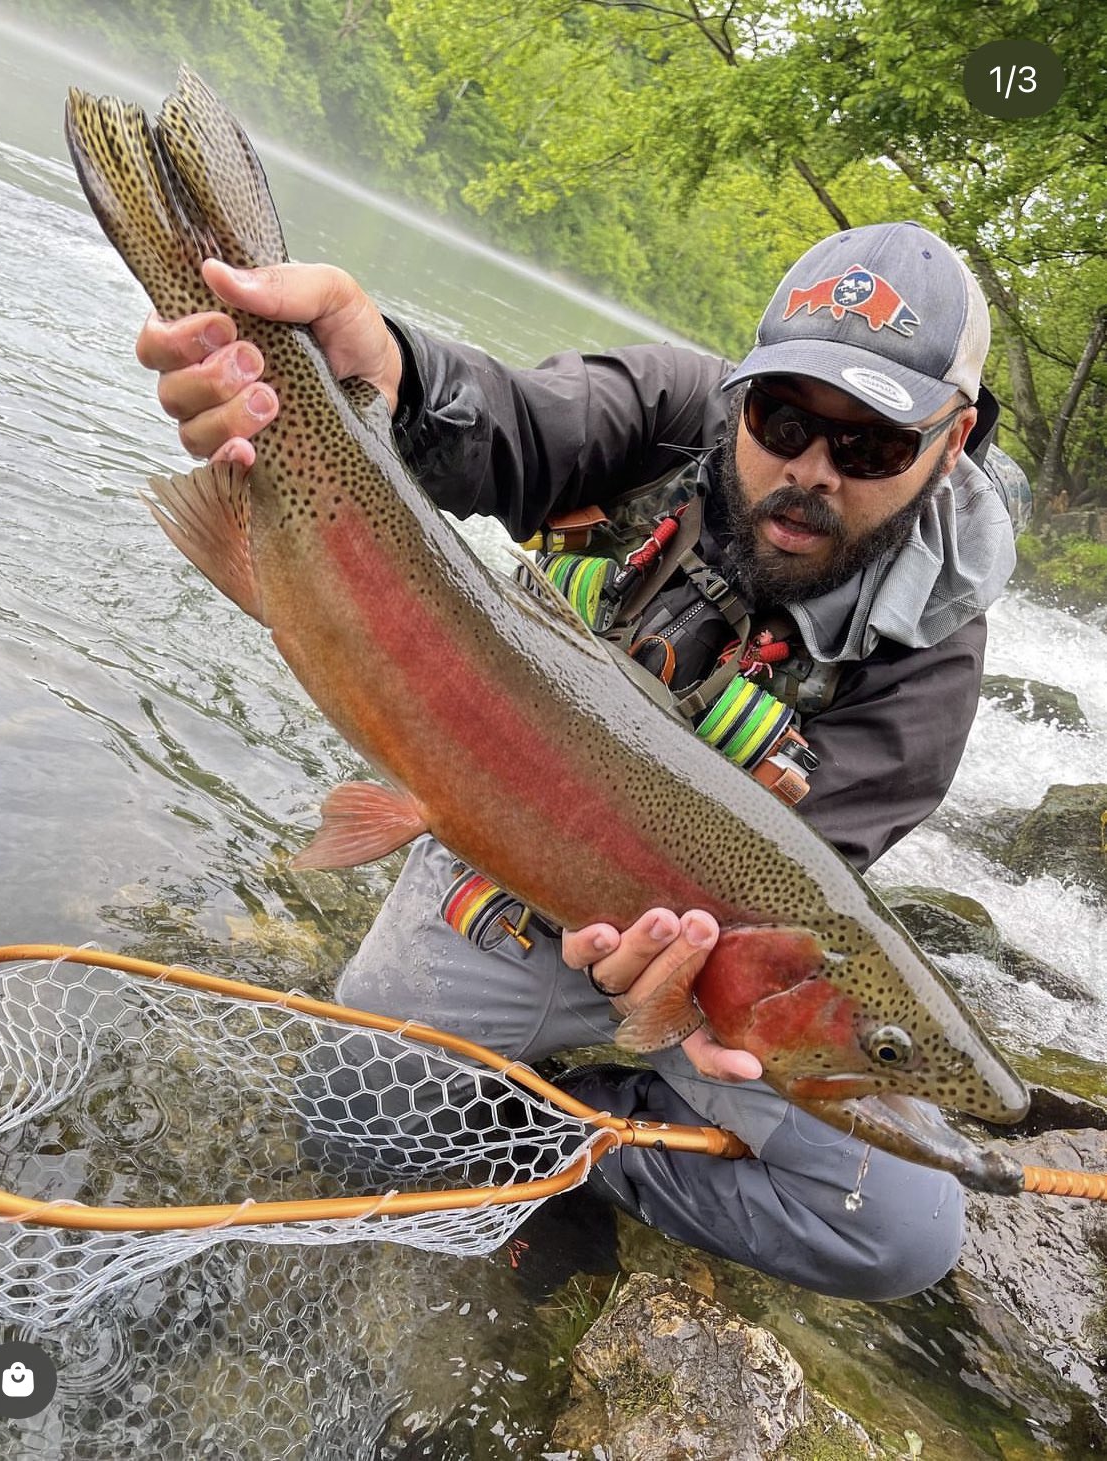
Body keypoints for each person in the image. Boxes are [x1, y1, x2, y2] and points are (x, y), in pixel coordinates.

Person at [136, 220, 1023, 1301]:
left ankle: (573, 1146)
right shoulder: (668, 410)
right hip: (498, 838)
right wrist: (387, 373)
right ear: (747, 387)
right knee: (353, 1116)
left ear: (952, 439)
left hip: (692, 953)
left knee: (899, 1234)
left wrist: (694, 1004)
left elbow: (794, 891)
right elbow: (500, 421)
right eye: (784, 420)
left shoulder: (934, 666)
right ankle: (508, 1102)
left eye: (870, 448)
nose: (811, 472)